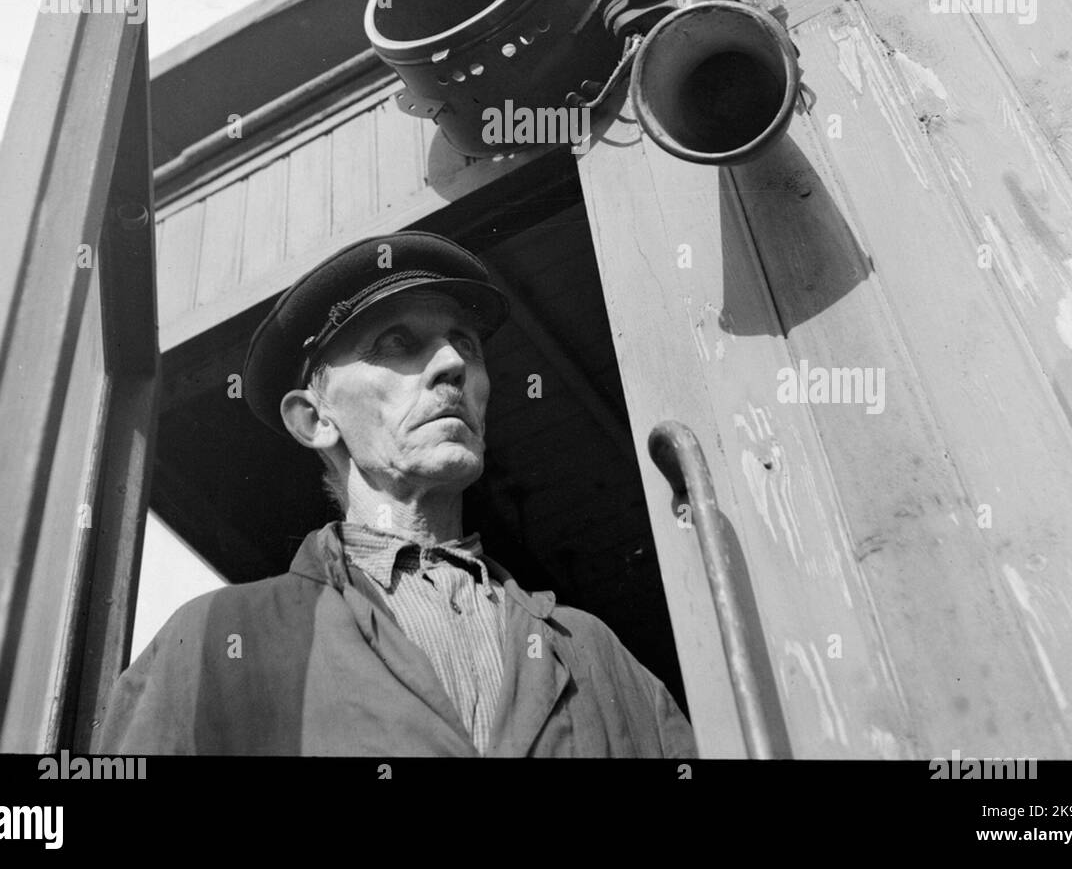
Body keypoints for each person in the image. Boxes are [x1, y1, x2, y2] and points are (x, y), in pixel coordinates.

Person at [98, 230, 696, 758]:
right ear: (315, 420)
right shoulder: (210, 641)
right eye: (396, 344)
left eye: (466, 345)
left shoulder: (599, 654)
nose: (451, 365)